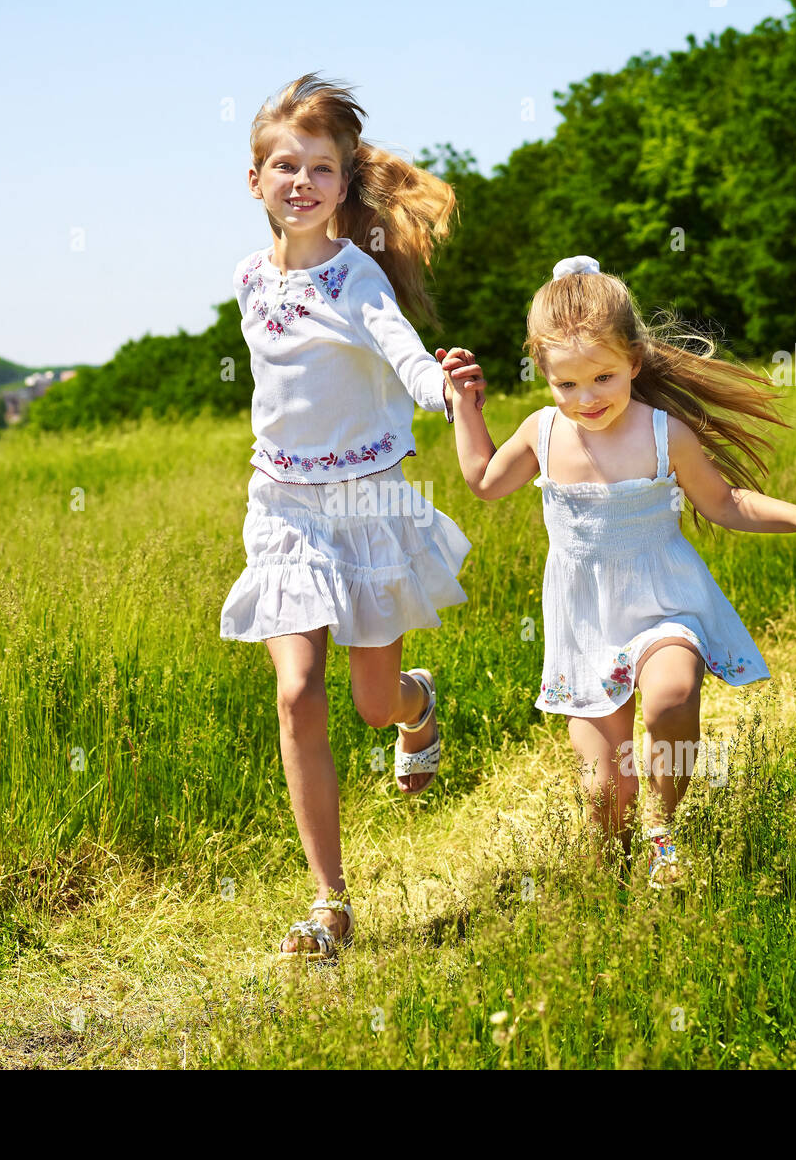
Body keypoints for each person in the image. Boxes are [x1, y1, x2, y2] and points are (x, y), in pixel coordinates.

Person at [443, 255, 796, 888]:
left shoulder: (664, 434)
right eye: (566, 384)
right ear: (542, 373)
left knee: (671, 696)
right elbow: (485, 482)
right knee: (606, 796)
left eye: (603, 377)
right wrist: (464, 404)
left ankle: (667, 826)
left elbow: (726, 503)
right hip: (585, 624)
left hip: (665, 602)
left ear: (633, 360)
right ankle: (617, 869)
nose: (587, 399)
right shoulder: (543, 433)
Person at [219, 74, 481, 956]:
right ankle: (329, 901)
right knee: (297, 692)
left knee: (371, 704)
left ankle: (417, 706)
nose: (301, 181)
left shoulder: (357, 274)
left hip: (367, 503)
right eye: (283, 166)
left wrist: (445, 389)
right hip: (284, 507)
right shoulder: (249, 281)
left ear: (342, 181)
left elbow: (403, 354)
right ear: (253, 180)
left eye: (319, 167)